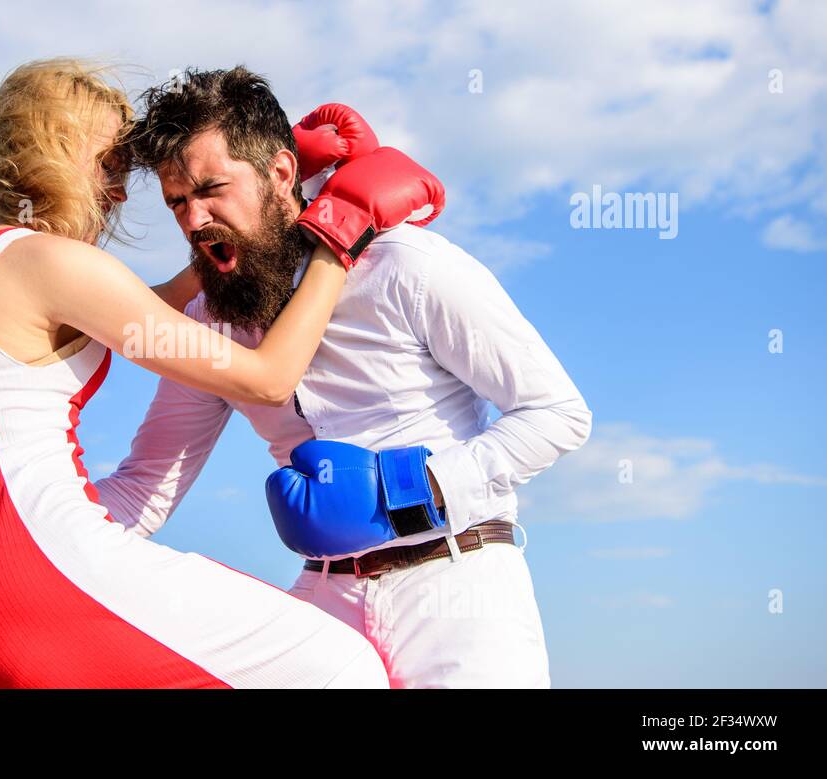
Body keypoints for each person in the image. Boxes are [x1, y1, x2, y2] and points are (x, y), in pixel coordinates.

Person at [0, 58, 443, 688]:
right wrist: (339, 231)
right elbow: (268, 377)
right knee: (341, 668)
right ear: (58, 148)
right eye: (108, 164)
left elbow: (164, 301)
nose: (120, 191)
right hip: (53, 579)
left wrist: (277, 196)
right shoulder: (52, 262)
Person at [93, 66, 593, 688]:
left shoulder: (408, 266)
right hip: (324, 602)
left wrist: (415, 487)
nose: (194, 221)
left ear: (279, 174)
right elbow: (143, 489)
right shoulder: (209, 321)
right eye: (177, 202)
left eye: (211, 189)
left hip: (459, 591)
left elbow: (558, 412)